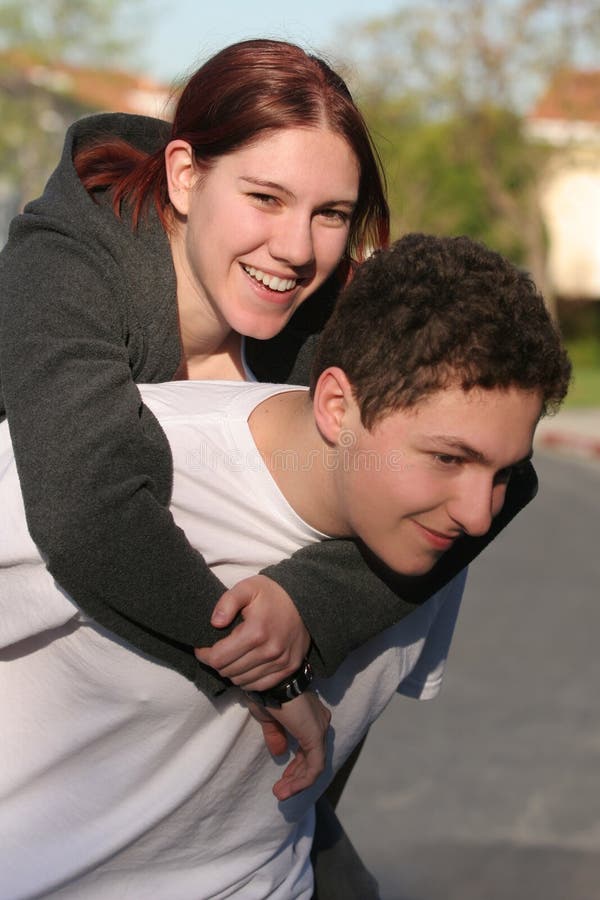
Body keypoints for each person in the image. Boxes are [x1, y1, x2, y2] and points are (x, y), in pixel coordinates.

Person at [0, 234, 571, 899]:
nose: (479, 517)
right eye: (448, 458)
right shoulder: (103, 472)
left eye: (501, 472)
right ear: (337, 406)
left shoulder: (433, 541)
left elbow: (313, 774)